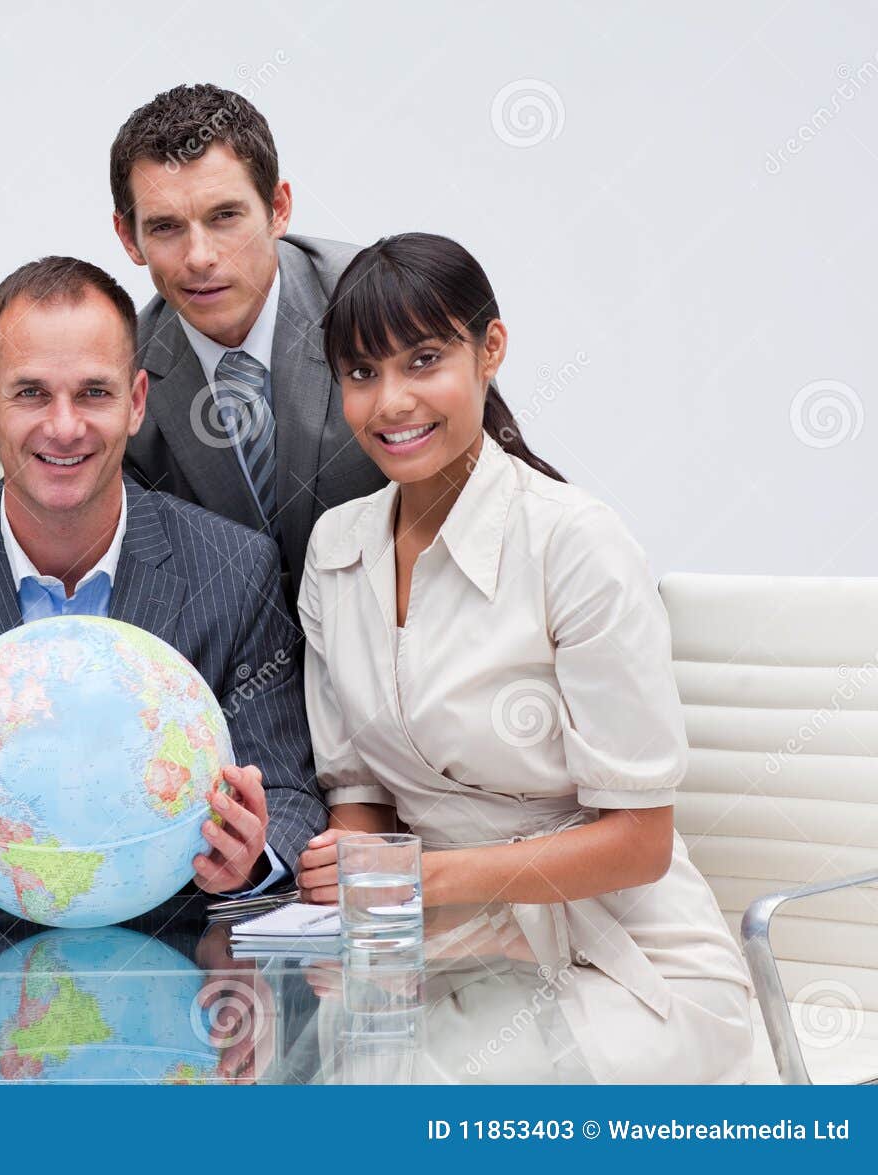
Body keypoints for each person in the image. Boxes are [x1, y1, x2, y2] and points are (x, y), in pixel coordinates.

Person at [294, 233, 753, 1082]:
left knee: (434, 1105)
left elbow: (640, 843)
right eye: (361, 372)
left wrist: (420, 879)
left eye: (423, 360)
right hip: (444, 947)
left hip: (628, 967)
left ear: (490, 349)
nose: (391, 401)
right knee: (304, 1075)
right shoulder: (335, 550)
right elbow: (360, 799)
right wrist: (351, 878)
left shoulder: (575, 544)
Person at [0, 256, 327, 944]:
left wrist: (254, 859)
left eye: (94, 392)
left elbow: (289, 796)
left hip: (185, 968)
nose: (64, 426)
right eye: (32, 394)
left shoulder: (234, 569)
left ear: (137, 401)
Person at [111, 84, 386, 601]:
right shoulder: (119, 380)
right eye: (166, 227)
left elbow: (482, 498)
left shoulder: (379, 303)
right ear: (130, 238)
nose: (200, 257)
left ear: (278, 208)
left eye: (224, 217)